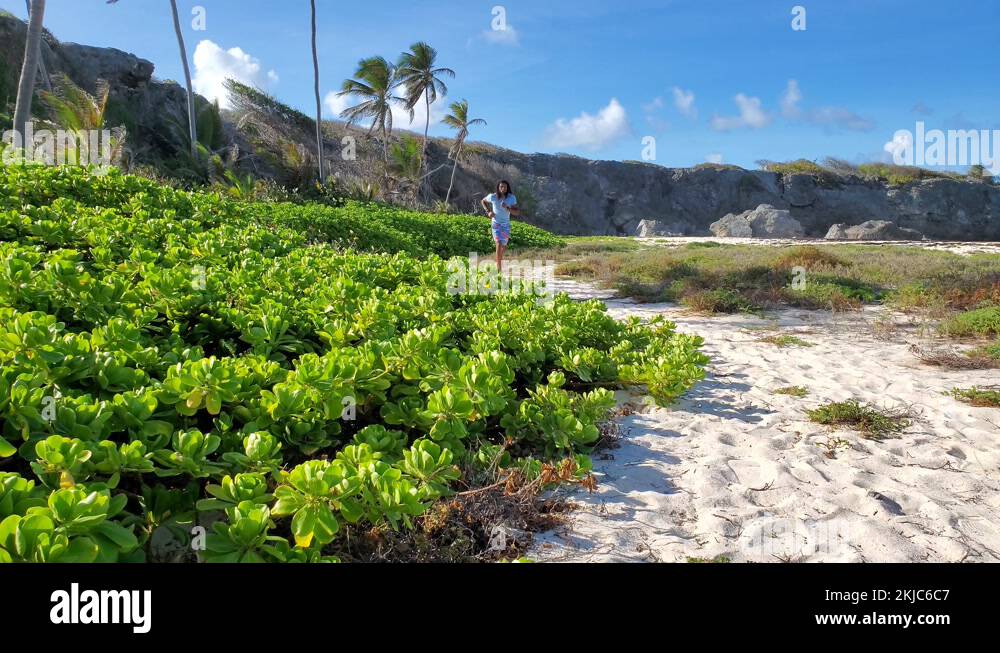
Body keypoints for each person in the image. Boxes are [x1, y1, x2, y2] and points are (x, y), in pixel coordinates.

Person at [481, 180, 520, 272]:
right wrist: (488, 211)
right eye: (501, 186)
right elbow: (483, 201)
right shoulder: (493, 196)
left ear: (507, 188)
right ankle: (499, 268)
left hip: (506, 225)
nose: (503, 188)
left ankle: (498, 261)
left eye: (505, 187)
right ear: (498, 187)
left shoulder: (511, 198)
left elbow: (517, 212)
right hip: (496, 223)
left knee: (504, 246)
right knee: (498, 243)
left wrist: (507, 208)